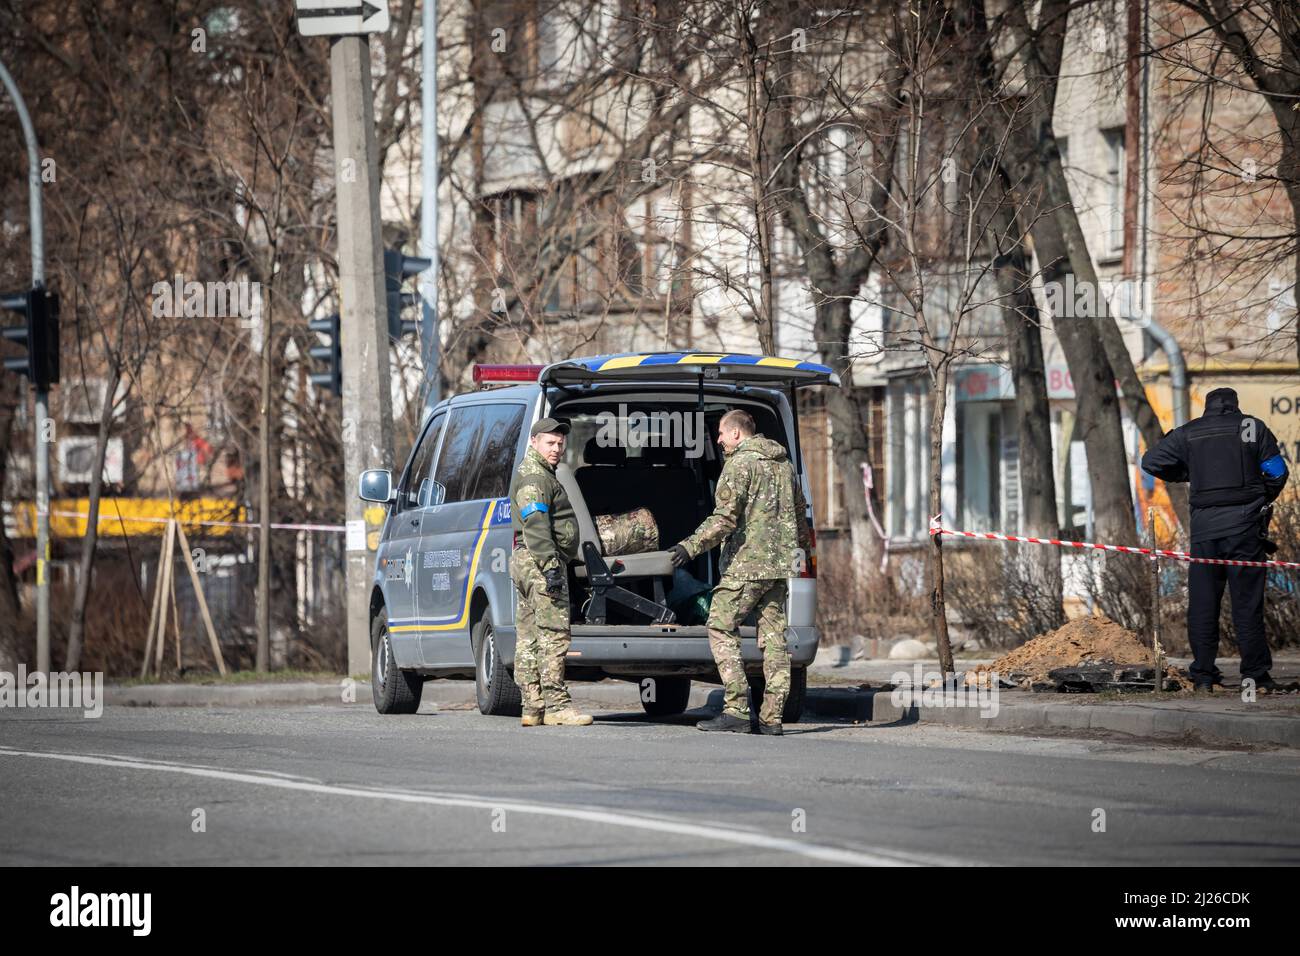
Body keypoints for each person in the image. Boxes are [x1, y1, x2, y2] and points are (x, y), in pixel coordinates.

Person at [670, 409, 810, 735]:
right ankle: (772, 717)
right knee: (775, 639)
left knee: (719, 623)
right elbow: (799, 515)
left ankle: (736, 708)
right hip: (779, 565)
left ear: (736, 433)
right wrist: (798, 552)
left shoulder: (740, 464)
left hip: (748, 564)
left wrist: (688, 547)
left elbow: (724, 520)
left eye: (721, 433)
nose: (718, 440)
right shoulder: (783, 465)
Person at [1141, 387, 1290, 692]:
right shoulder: (1251, 427)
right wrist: (1261, 497)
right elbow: (1277, 472)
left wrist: (1188, 473)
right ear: (1235, 406)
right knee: (1247, 605)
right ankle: (1255, 677)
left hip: (1205, 535)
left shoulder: (1190, 432)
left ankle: (1204, 678)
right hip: (1246, 531)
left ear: (1207, 408)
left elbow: (1151, 461)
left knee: (1203, 604)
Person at [508, 418, 593, 727]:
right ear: (534, 442)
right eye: (550, 443)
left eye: (560, 444)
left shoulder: (539, 472)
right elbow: (535, 524)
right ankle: (557, 705)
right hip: (539, 561)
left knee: (529, 636)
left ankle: (532, 707)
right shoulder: (534, 477)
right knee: (553, 635)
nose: (557, 449)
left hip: (528, 560)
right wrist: (551, 566)